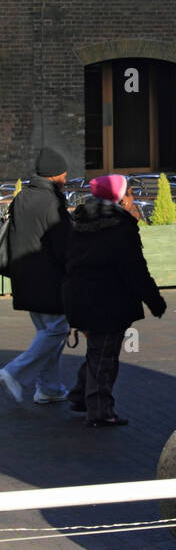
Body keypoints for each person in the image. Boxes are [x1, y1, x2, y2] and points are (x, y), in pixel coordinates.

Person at [64, 174, 166, 428]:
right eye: (130, 194)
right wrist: (155, 301)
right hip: (109, 301)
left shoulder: (80, 221)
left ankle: (80, 395)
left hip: (79, 296)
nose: (133, 199)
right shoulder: (120, 227)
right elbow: (134, 268)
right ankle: (99, 410)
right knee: (105, 356)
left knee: (97, 351)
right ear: (120, 198)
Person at [0, 148, 72, 405]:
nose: (66, 177)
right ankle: (14, 373)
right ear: (56, 174)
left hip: (23, 277)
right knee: (57, 329)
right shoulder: (52, 201)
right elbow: (63, 245)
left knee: (47, 332)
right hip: (48, 280)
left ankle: (49, 388)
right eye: (64, 172)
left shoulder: (23, 197)